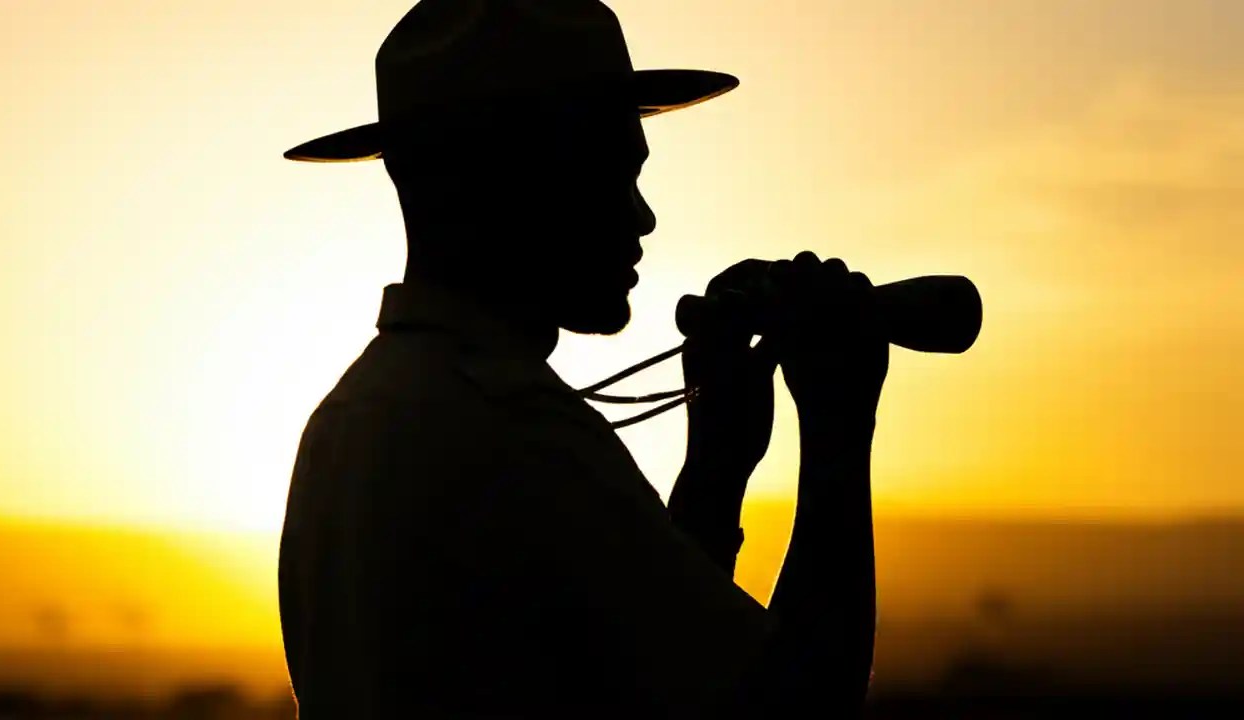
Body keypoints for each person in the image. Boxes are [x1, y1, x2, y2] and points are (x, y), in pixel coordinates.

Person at [277, 1, 887, 717]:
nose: (641, 216)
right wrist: (838, 430)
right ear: (523, 180)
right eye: (613, 173)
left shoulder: (342, 426)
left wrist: (715, 475)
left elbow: (639, 660)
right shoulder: (518, 432)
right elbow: (797, 707)